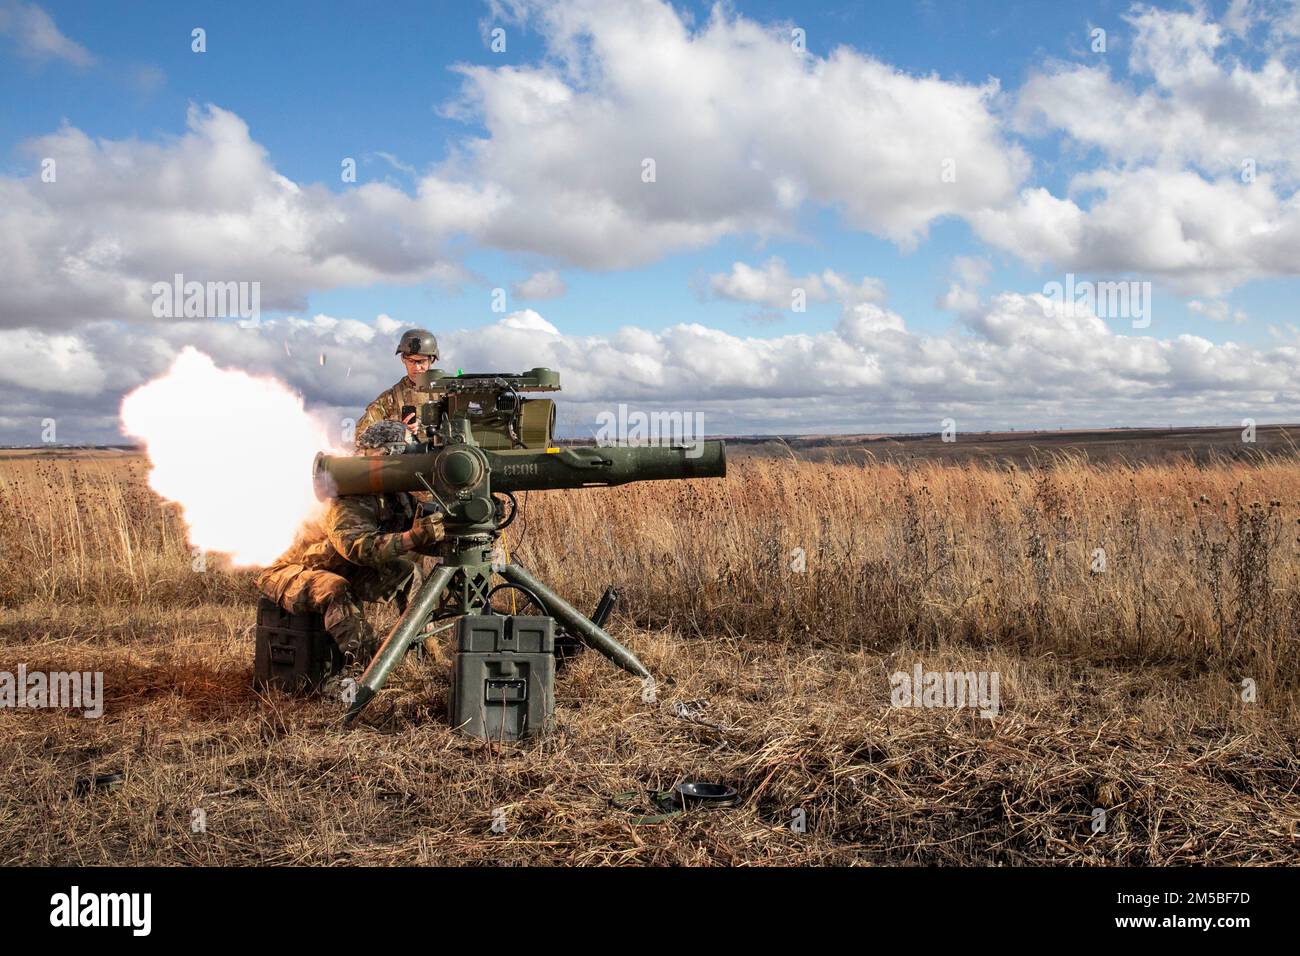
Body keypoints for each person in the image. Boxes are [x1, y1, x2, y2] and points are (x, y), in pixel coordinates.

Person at [254, 421, 445, 664]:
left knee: (409, 574)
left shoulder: (394, 495)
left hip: (337, 564)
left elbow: (415, 532)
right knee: (336, 590)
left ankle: (427, 657)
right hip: (292, 568)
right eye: (406, 453)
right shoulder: (348, 493)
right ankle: (363, 669)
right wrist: (412, 538)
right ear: (383, 456)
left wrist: (443, 535)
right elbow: (357, 549)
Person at [356, 328, 441, 438]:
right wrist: (396, 430)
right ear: (403, 359)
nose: (417, 367)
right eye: (411, 361)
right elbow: (361, 436)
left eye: (422, 361)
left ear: (431, 360)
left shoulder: (447, 394)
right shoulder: (389, 400)